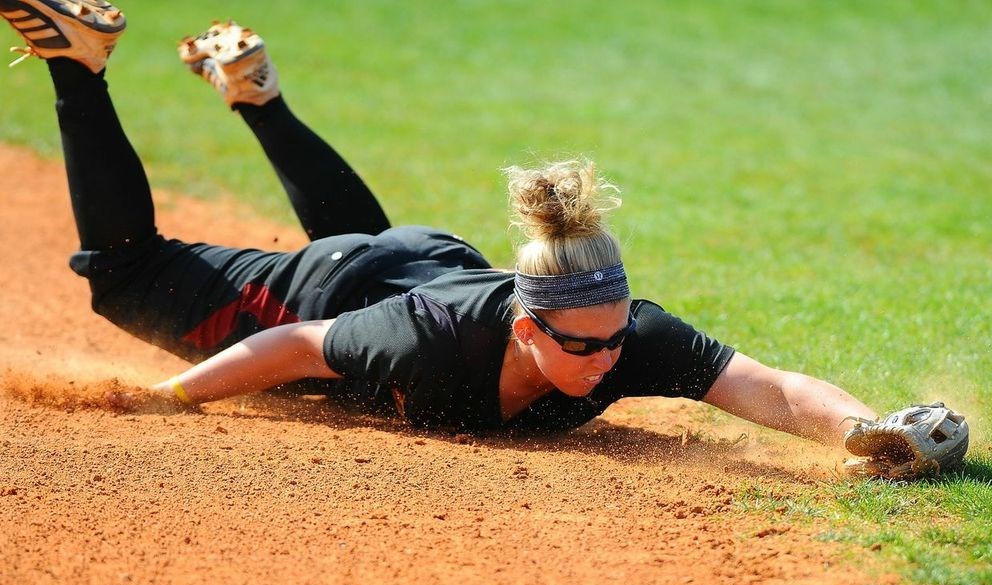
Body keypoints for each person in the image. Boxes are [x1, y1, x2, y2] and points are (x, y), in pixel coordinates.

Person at [3, 1, 877, 444]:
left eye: (612, 340)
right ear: (529, 327)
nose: (606, 359)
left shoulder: (621, 333)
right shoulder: (432, 339)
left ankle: (260, 99)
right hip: (344, 291)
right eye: (581, 347)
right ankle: (78, 63)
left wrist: (867, 433)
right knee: (126, 276)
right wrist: (167, 401)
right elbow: (304, 346)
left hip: (412, 266)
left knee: (377, 256)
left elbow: (770, 387)